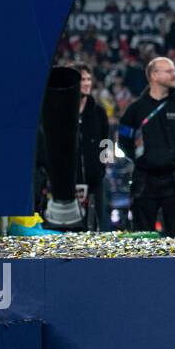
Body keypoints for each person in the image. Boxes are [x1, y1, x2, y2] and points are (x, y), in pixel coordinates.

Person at [118, 57, 175, 236]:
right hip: (145, 180)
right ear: (154, 75)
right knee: (142, 237)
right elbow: (123, 140)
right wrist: (141, 160)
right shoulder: (135, 110)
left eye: (174, 71)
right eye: (169, 71)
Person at [72, 64, 110, 231]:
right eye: (82, 79)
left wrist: (102, 170)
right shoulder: (61, 112)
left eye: (88, 79)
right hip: (68, 184)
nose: (87, 83)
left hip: (95, 182)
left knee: (95, 228)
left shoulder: (99, 113)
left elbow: (105, 143)